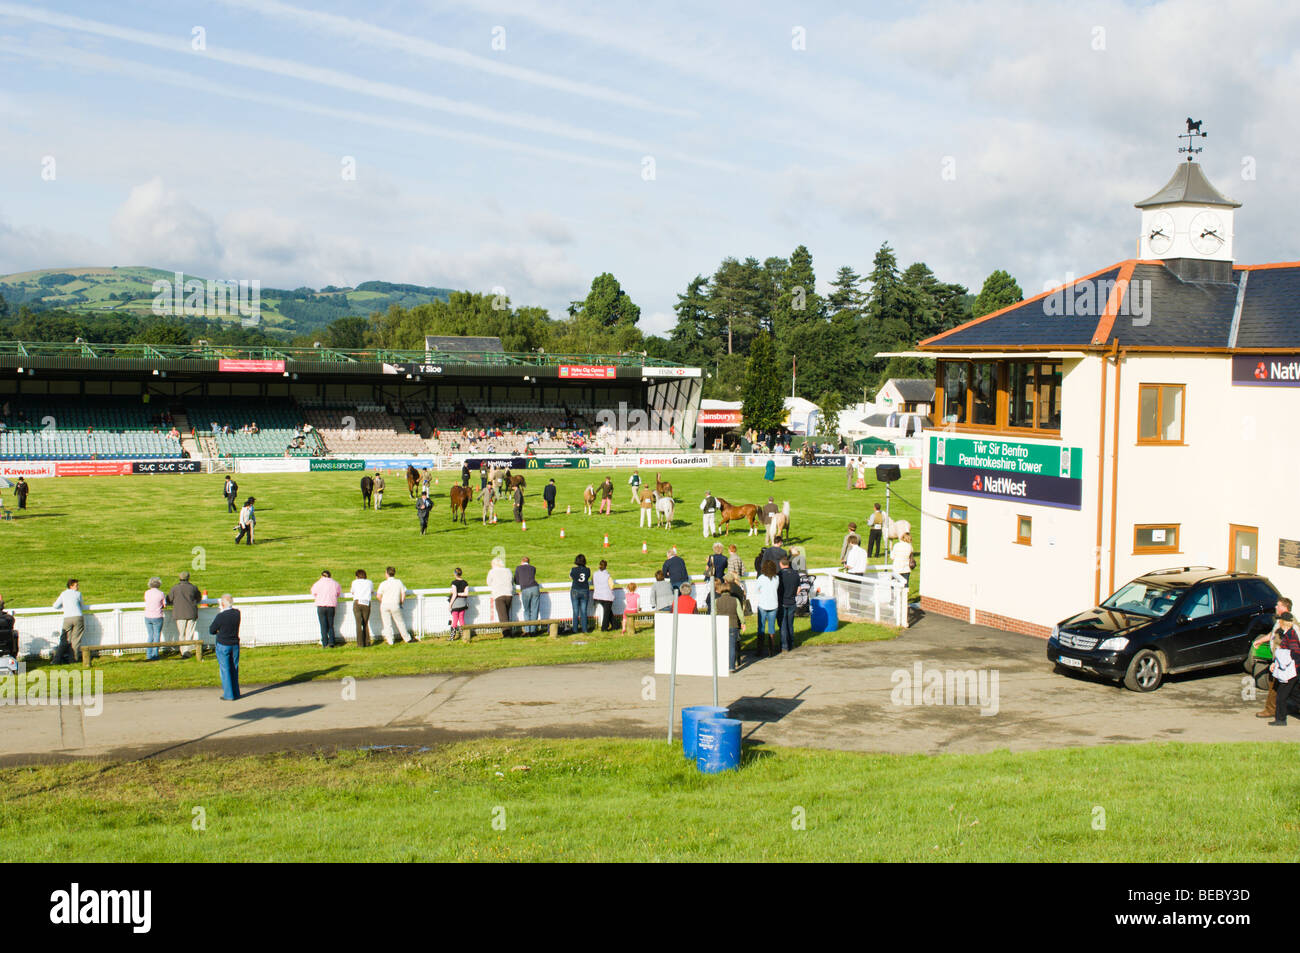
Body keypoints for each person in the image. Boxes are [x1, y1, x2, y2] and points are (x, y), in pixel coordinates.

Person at [1253, 596, 1294, 718]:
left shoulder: (1288, 622)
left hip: (1286, 661)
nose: (1275, 607)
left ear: (1284, 607)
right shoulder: (1280, 620)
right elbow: (1273, 634)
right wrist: (1261, 640)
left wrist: (1277, 662)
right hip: (1283, 660)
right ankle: (1272, 709)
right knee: (1276, 685)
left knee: (1283, 686)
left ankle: (1271, 709)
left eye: (1278, 605)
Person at [1268, 612, 1299, 727]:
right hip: (1294, 671)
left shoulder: (1291, 636)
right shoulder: (1288, 634)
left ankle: (1281, 720)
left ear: (1283, 622)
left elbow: (1295, 652)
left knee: (1281, 696)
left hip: (1291, 672)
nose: (1277, 622)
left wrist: (1284, 663)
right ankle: (1280, 719)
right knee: (1295, 695)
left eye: (1279, 620)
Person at [209, 593, 241, 701]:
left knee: (225, 669)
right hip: (235, 644)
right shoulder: (237, 613)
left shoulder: (221, 616)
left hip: (223, 644)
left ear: (223, 604)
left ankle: (228, 694)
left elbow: (212, 630)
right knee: (234, 668)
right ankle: (236, 692)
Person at [167, 571, 201, 658]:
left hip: (179, 613)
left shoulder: (175, 588)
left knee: (181, 634)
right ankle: (187, 651)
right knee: (189, 633)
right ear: (188, 578)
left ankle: (183, 651)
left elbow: (169, 599)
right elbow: (198, 598)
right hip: (191, 613)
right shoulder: (193, 587)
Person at [51, 579, 85, 665]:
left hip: (67, 618)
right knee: (76, 640)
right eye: (76, 585)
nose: (78, 587)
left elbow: (55, 606)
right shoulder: (78, 594)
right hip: (78, 617)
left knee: (64, 640)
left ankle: (56, 660)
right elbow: (82, 605)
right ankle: (73, 659)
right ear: (71, 586)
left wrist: (64, 605)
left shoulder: (63, 594)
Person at [377, 566, 413, 644]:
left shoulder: (383, 583)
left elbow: (378, 596)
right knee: (400, 622)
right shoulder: (398, 582)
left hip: (385, 605)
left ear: (387, 573)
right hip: (395, 604)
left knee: (387, 624)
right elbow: (403, 593)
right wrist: (401, 602)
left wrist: (382, 602)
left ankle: (390, 641)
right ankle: (407, 638)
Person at [713, 579, 744, 671]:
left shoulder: (716, 601)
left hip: (721, 625)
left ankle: (721, 665)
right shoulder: (735, 600)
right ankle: (731, 666)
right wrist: (743, 623)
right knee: (732, 646)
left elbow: (714, 613)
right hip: (733, 624)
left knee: (721, 646)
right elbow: (740, 613)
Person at [311, 570, 342, 648]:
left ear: (322, 576)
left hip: (321, 606)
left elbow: (313, 592)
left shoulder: (318, 583)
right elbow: (338, 593)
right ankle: (331, 642)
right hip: (331, 606)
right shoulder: (335, 583)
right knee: (330, 625)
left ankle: (324, 642)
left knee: (323, 625)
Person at [755, 561, 780, 658]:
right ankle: (771, 650)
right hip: (773, 604)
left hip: (763, 604)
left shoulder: (761, 578)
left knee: (761, 628)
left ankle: (759, 650)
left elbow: (756, 590)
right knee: (771, 628)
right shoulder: (776, 578)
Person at [777, 557, 800, 653]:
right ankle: (791, 643)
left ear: (781, 564)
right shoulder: (795, 573)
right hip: (792, 601)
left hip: (782, 601)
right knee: (790, 624)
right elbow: (799, 588)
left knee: (783, 625)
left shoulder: (780, 574)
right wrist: (794, 594)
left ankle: (784, 646)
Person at [488, 557, 514, 635]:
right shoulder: (508, 570)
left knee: (502, 616)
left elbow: (488, 582)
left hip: (499, 594)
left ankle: (506, 633)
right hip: (509, 594)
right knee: (506, 614)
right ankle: (508, 631)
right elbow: (511, 580)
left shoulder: (492, 572)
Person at [514, 557, 540, 634]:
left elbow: (516, 580)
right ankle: (533, 630)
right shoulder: (533, 568)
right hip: (535, 588)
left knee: (527, 610)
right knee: (534, 610)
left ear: (521, 562)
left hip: (525, 589)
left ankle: (527, 630)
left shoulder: (518, 568)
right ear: (529, 562)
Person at [143, 576, 165, 661]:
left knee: (150, 635)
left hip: (148, 616)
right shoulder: (161, 593)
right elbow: (164, 604)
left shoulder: (147, 593)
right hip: (157, 616)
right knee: (156, 635)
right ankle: (155, 654)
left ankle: (148, 654)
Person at [350, 570, 374, 648]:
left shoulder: (354, 582)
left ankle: (360, 643)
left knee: (358, 623)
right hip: (366, 602)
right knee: (365, 623)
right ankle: (367, 642)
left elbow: (352, 592)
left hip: (357, 602)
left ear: (357, 576)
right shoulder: (369, 582)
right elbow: (372, 591)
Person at [570, 554, 592, 633]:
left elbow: (571, 577)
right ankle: (585, 629)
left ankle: (575, 630)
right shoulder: (588, 570)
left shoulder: (573, 569)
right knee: (584, 611)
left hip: (575, 590)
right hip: (585, 590)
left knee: (575, 611)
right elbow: (588, 577)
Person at [448, 568, 470, 641]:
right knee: (461, 619)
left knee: (454, 620)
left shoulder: (454, 583)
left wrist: (450, 604)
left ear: (455, 574)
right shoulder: (465, 583)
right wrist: (460, 594)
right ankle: (464, 635)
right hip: (463, 603)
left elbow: (454, 595)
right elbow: (466, 593)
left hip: (456, 604)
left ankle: (452, 637)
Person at [593, 559, 615, 631]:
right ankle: (604, 628)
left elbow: (592, 582)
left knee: (608, 611)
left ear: (599, 565)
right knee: (607, 612)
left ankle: (615, 625)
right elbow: (612, 586)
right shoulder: (607, 575)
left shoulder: (595, 574)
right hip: (607, 596)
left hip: (598, 596)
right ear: (606, 566)